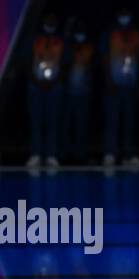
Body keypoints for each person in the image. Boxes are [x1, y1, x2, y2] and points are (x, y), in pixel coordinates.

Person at [103, 7, 139, 167]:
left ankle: (129, 154)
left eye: (127, 14)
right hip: (114, 83)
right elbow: (104, 56)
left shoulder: (136, 34)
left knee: (129, 121)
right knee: (112, 119)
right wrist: (108, 80)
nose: (124, 17)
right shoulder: (110, 33)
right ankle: (110, 154)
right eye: (122, 14)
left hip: (130, 83)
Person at [27, 12, 66, 171]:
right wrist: (35, 80)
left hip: (54, 86)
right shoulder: (35, 39)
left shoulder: (61, 41)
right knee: (36, 120)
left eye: (53, 20)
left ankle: (51, 155)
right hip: (35, 85)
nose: (50, 22)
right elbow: (25, 59)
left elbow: (66, 62)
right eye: (48, 19)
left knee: (52, 119)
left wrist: (55, 81)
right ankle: (36, 154)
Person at [65, 18, 95, 164]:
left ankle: (80, 155)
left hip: (83, 92)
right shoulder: (67, 47)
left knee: (82, 126)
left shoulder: (89, 47)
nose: (80, 33)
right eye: (78, 30)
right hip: (68, 92)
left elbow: (92, 68)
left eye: (82, 30)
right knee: (66, 125)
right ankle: (64, 155)